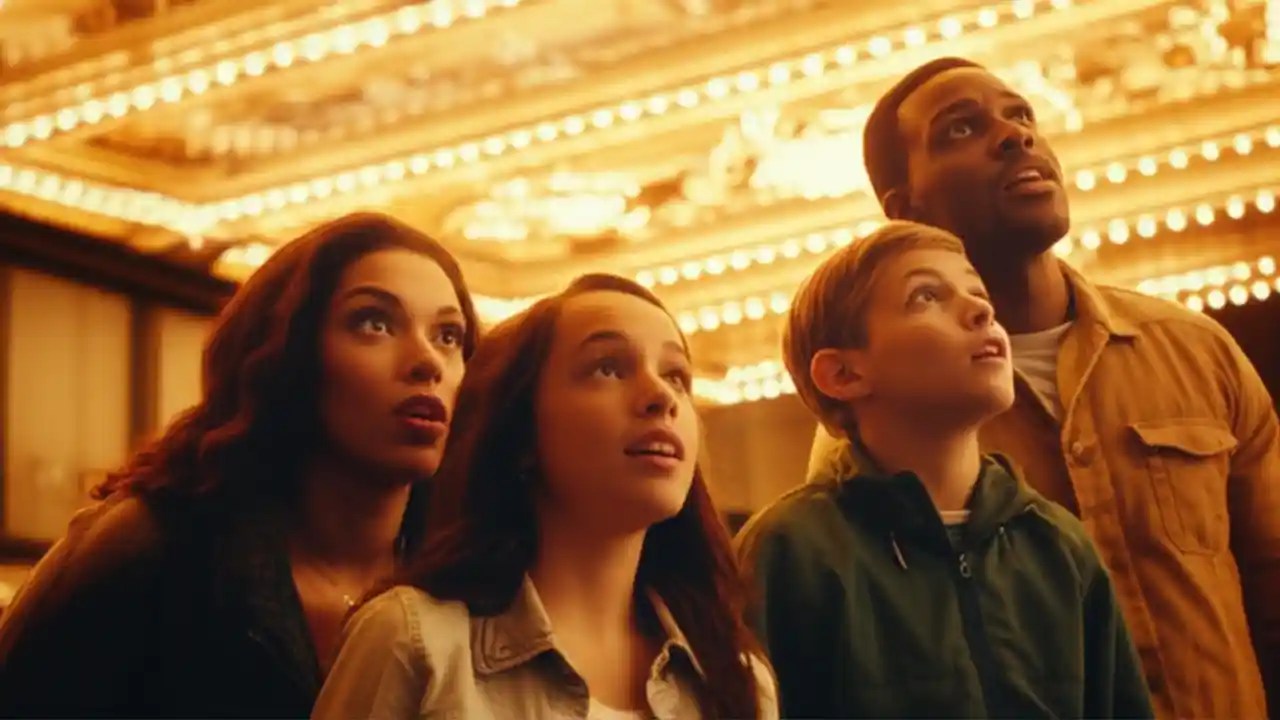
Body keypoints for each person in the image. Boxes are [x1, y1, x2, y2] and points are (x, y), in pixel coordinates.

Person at [805, 57, 1280, 718]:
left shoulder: (1196, 351)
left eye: (1021, 115)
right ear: (906, 210)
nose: (1015, 135)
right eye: (961, 129)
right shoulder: (877, 422)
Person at [0, 212, 478, 718]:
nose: (428, 362)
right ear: (289, 355)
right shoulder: (148, 547)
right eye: (374, 324)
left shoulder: (471, 580)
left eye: (448, 335)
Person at [736, 219, 1153, 717]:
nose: (982, 310)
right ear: (843, 374)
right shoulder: (791, 551)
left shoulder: (1057, 543)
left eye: (978, 293)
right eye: (926, 296)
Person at [313, 274, 777, 720]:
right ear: (521, 433)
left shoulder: (737, 680)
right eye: (608, 368)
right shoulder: (415, 641)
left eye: (676, 376)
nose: (660, 395)